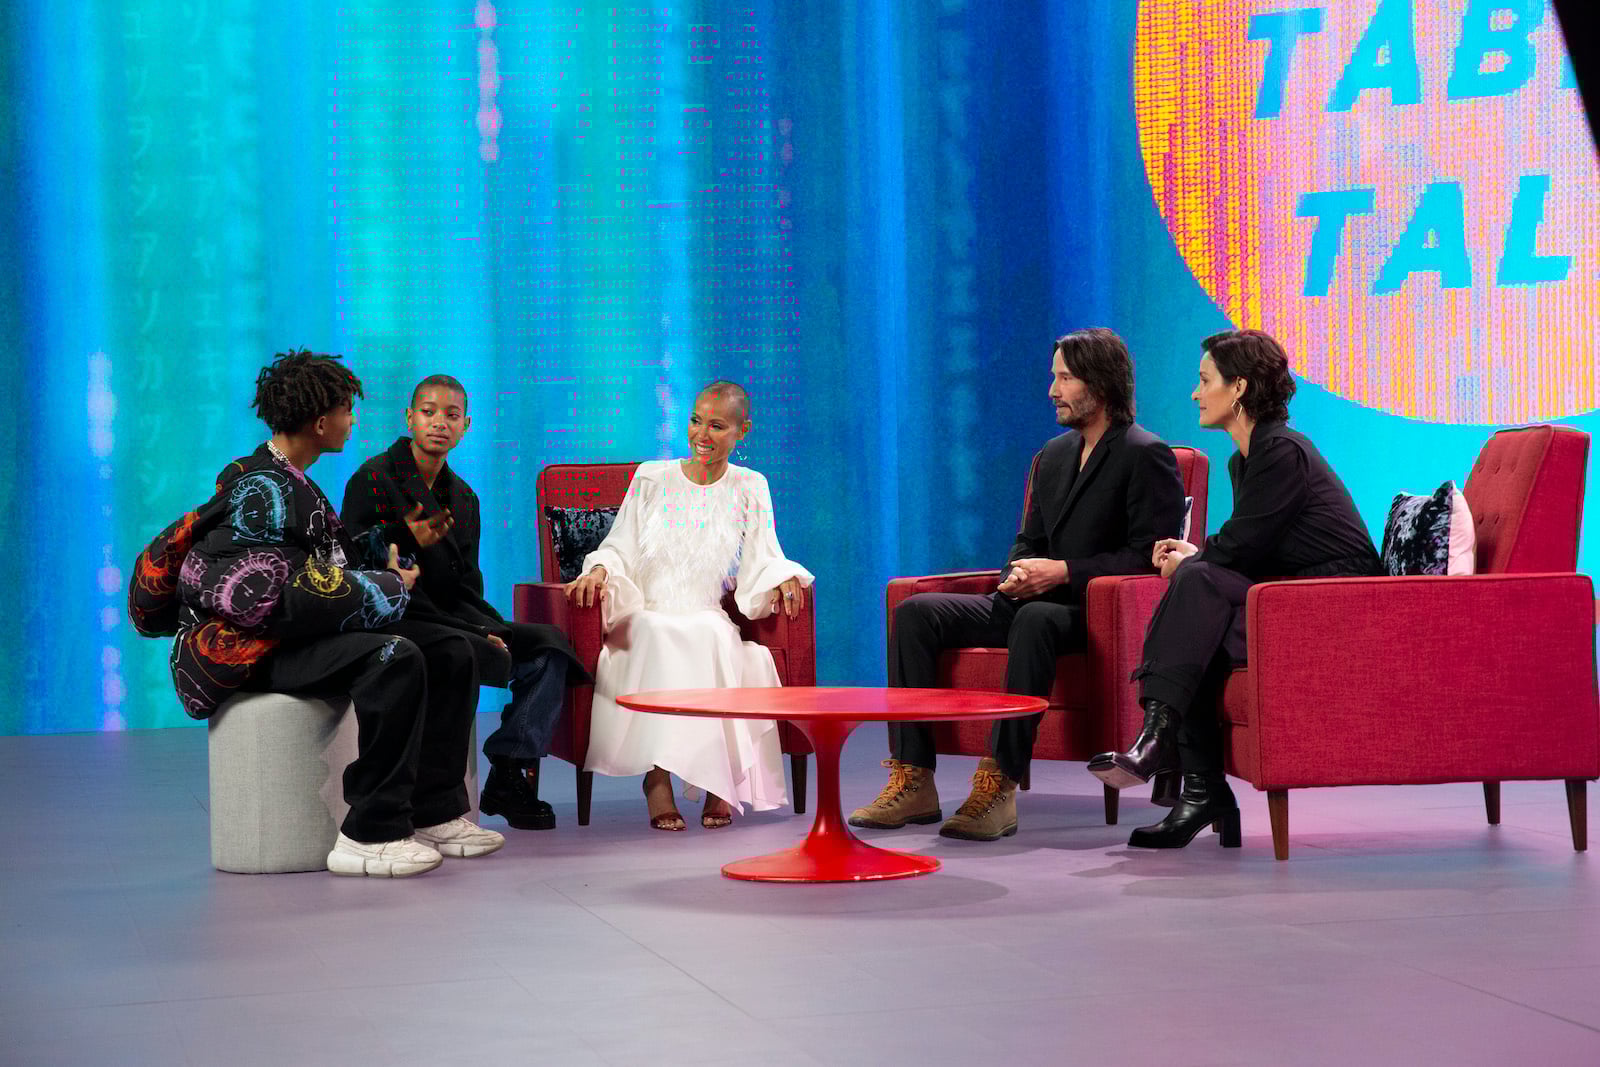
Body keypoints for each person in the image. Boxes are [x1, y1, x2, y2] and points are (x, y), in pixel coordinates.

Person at [129, 349, 504, 877]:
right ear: (321, 420)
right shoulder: (260, 488)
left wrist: (384, 554)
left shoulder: (291, 479)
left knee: (451, 650)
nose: (353, 421)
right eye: (348, 410)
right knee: (394, 657)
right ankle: (370, 831)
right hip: (258, 648)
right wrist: (388, 587)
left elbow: (323, 564)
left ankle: (434, 812)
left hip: (294, 634)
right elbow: (270, 601)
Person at [849, 328, 1188, 841]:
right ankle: (914, 778)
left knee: (1036, 618)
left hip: (1091, 616)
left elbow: (1148, 556)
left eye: (1065, 378)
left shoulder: (1146, 454)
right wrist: (1021, 572)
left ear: (1100, 384)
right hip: (1030, 600)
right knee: (916, 613)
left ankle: (1000, 786)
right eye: (1054, 377)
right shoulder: (1051, 455)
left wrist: (1065, 572)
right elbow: (1027, 539)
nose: (1053, 390)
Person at [1088, 329, 1381, 849]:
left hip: (1337, 600)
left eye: (1205, 380)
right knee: (1199, 614)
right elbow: (1253, 549)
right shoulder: (1244, 458)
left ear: (1239, 387)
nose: (1196, 394)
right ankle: (1198, 788)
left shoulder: (1281, 450)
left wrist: (1193, 558)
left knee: (1198, 583)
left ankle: (1166, 753)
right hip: (1286, 594)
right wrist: (1195, 559)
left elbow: (1246, 542)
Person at [341, 374, 588, 831]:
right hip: (399, 620)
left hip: (455, 618)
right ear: (409, 418)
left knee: (549, 646)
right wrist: (476, 632)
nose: (439, 423)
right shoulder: (373, 480)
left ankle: (510, 773)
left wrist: (491, 626)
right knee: (467, 649)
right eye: (429, 413)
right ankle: (434, 807)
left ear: (467, 425)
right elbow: (358, 571)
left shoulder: (464, 497)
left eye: (451, 415)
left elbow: (466, 588)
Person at [565, 381, 812, 830]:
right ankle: (656, 778)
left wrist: (782, 578)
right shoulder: (651, 477)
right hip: (648, 609)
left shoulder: (750, 485)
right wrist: (600, 569)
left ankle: (720, 781)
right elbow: (619, 544)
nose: (702, 433)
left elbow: (763, 555)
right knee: (657, 633)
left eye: (717, 425)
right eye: (696, 420)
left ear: (742, 430)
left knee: (715, 633)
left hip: (703, 609)